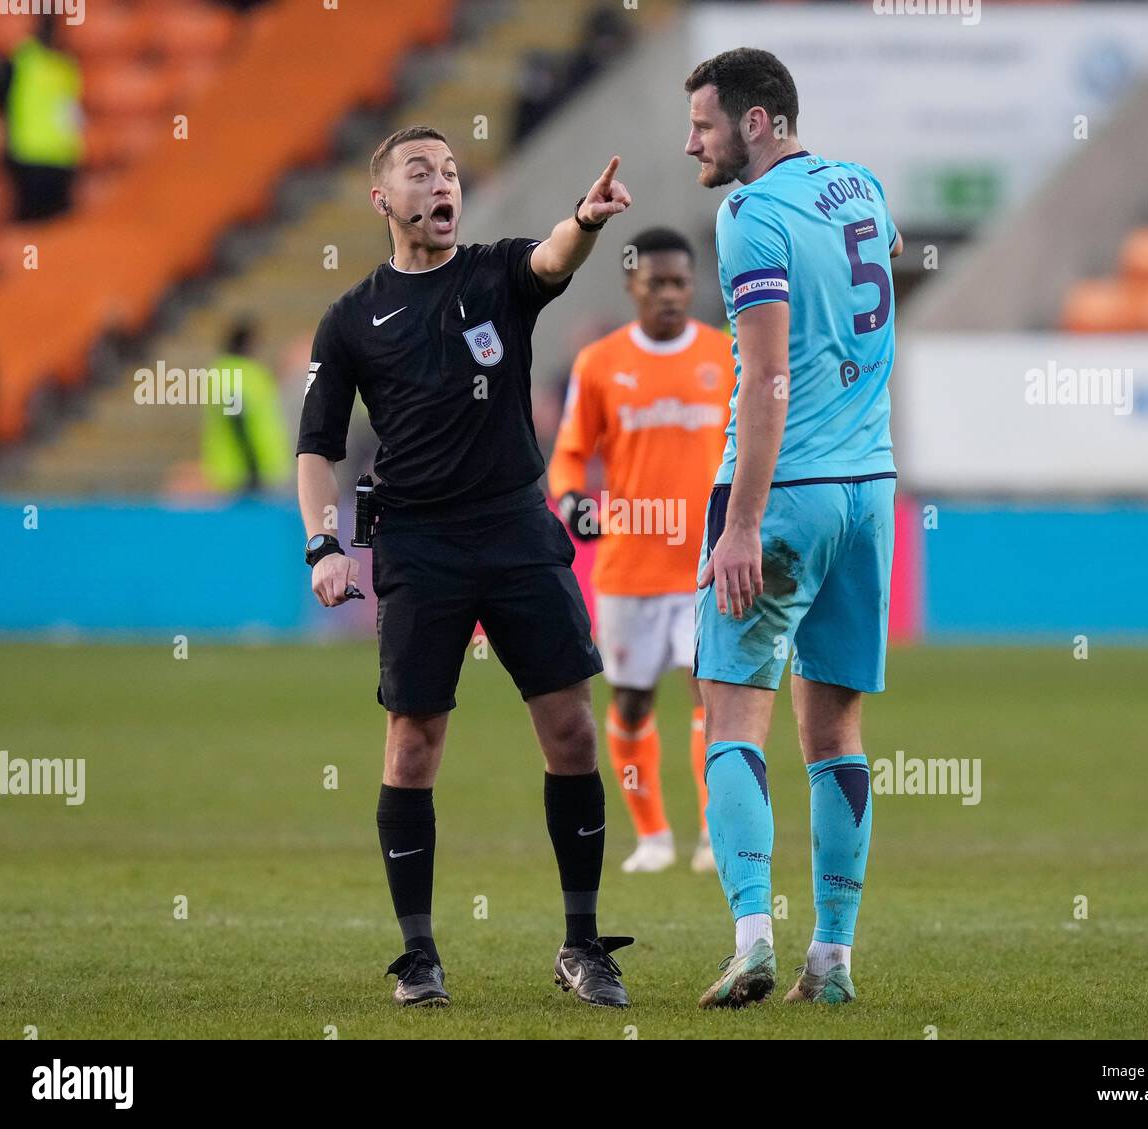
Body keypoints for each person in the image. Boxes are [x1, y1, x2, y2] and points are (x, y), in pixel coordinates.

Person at [295, 125, 635, 1008]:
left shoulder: (494, 273)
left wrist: (586, 222)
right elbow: (315, 446)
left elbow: (553, 260)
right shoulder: (351, 318)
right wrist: (324, 543)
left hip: (517, 527)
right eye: (421, 172)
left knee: (571, 732)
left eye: (450, 171)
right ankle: (419, 955)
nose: (442, 184)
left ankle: (583, 942)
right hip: (418, 542)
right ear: (383, 199)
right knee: (413, 744)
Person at [684, 48, 903, 1007]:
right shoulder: (863, 185)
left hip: (784, 491)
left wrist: (740, 522)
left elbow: (767, 377)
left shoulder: (748, 214)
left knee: (731, 708)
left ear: (758, 123)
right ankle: (835, 957)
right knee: (837, 728)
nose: (691, 140)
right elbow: (876, 268)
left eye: (704, 124)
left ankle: (750, 939)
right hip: (871, 488)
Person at [548, 227, 734, 875]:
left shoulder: (726, 355)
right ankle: (652, 835)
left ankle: (717, 834)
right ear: (631, 284)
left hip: (706, 567)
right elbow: (569, 454)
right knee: (630, 702)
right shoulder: (599, 364)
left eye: (681, 282)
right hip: (627, 568)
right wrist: (573, 501)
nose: (671, 294)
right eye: (656, 282)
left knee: (712, 696)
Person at [1, 15, 83, 222]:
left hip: (61, 156)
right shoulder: (22, 59)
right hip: (30, 155)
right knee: (32, 222)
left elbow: (72, 109)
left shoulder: (67, 65)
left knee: (58, 226)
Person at [201, 319, 293, 495]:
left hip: (246, 468)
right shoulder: (236, 372)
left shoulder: (232, 371)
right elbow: (236, 417)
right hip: (245, 470)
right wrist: (252, 467)